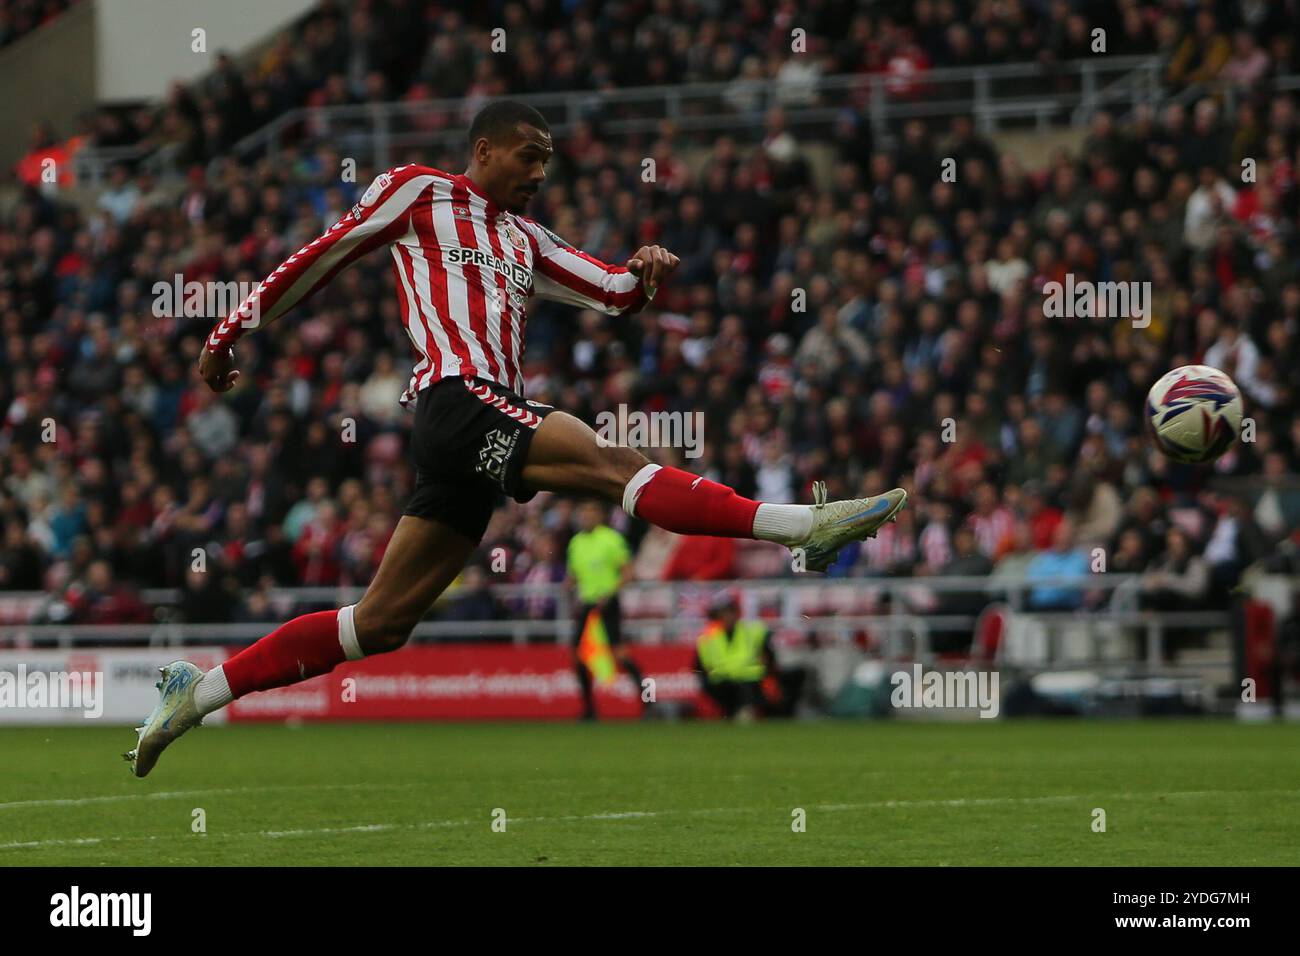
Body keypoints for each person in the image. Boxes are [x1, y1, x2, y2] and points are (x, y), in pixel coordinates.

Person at [125, 100, 906, 777]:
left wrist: (643, 270)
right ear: (485, 150)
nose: (539, 172)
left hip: (477, 428)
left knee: (380, 623)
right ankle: (803, 527)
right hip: (454, 400)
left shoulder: (527, 239)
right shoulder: (417, 192)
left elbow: (610, 291)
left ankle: (197, 693)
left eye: (549, 161)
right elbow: (321, 257)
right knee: (613, 464)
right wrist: (229, 331)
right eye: (529, 157)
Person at [566, 501, 641, 720]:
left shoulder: (611, 539)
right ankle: (589, 709)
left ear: (600, 515)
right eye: (584, 512)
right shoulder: (576, 542)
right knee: (578, 656)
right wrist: (569, 587)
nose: (586, 516)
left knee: (619, 654)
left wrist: (610, 594)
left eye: (591, 511)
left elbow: (628, 572)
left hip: (607, 603)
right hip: (587, 605)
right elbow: (574, 575)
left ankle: (648, 703)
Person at [694, 591, 786, 720]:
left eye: (730, 611)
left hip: (750, 679)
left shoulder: (753, 631)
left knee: (752, 689)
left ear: (737, 613)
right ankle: (736, 712)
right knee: (717, 688)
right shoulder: (708, 637)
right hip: (722, 681)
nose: (728, 616)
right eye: (724, 612)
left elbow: (768, 657)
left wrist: (769, 676)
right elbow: (699, 666)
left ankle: (747, 710)